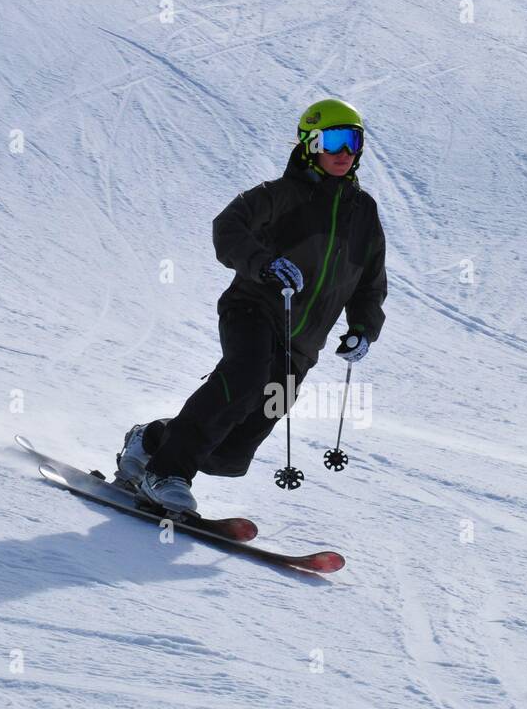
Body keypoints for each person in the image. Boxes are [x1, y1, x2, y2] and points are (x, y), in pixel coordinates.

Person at [112, 98, 388, 514]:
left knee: (231, 451)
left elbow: (370, 281)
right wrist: (264, 264)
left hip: (302, 346)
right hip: (253, 310)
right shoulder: (281, 195)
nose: (344, 153)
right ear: (311, 143)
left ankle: (150, 440)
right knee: (245, 376)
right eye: (334, 141)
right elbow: (227, 227)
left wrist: (364, 329)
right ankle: (166, 473)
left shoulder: (363, 213)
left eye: (353, 141)